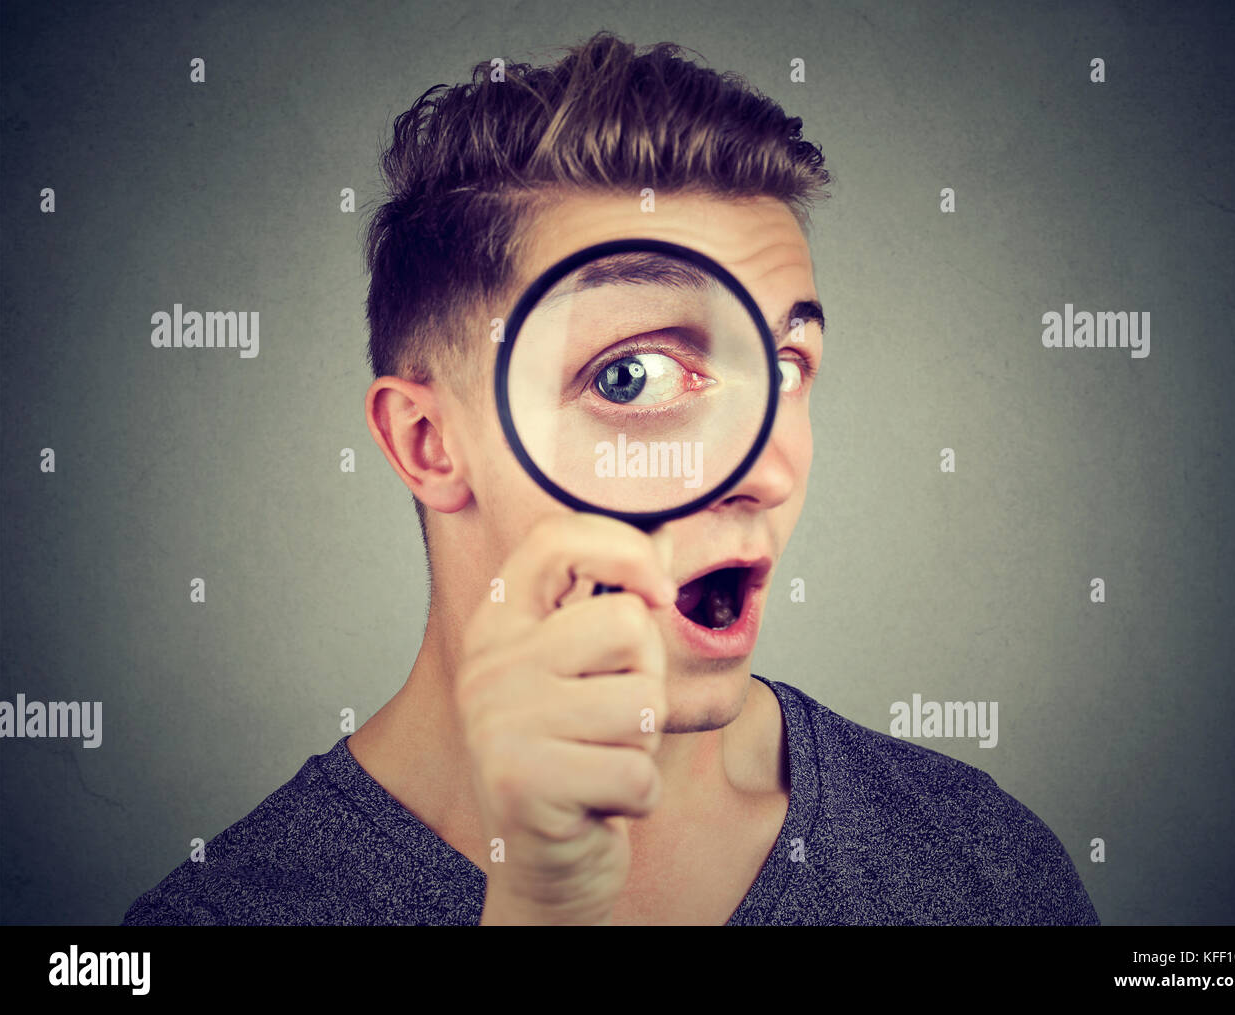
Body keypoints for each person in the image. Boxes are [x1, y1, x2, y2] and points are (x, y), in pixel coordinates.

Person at [122, 31, 1099, 926]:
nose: (764, 467)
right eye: (633, 373)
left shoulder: (981, 866)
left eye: (787, 366)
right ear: (427, 442)